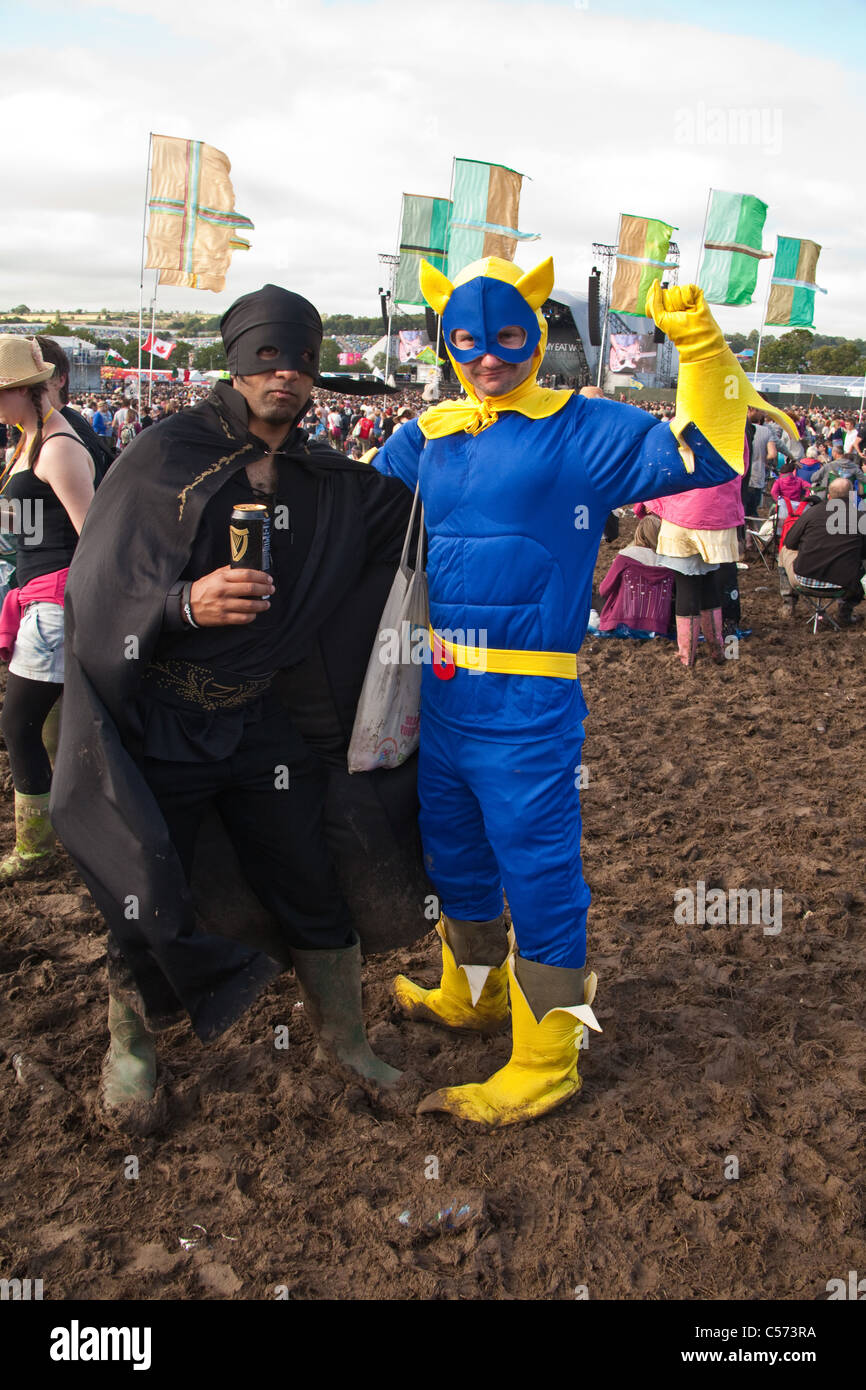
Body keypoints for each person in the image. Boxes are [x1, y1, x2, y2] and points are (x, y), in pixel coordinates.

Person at [370, 259, 797, 1127]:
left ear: (535, 331)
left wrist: (702, 350)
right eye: (467, 342)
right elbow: (355, 518)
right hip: (438, 695)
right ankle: (476, 993)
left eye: (507, 338)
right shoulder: (427, 435)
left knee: (538, 875)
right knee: (454, 857)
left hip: (527, 709)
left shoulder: (582, 428)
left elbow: (707, 453)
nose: (488, 359)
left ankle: (547, 1058)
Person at [50, 285, 424, 1124]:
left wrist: (474, 432)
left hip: (262, 725)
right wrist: (184, 603)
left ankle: (344, 1041)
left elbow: (423, 529)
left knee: (311, 877)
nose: (283, 375)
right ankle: (132, 1051)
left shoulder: (330, 480)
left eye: (299, 361)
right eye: (266, 358)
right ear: (235, 363)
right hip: (164, 722)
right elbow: (99, 586)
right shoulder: (165, 455)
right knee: (147, 885)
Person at [0, 336, 96, 879]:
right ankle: (74, 826)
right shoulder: (28, 439)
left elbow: (94, 537)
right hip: (38, 599)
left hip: (56, 607)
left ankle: (35, 850)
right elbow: (28, 527)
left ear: (23, 390)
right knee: (53, 729)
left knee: (18, 725)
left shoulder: (57, 447)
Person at [780, 478, 866, 626]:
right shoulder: (860, 518)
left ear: (829, 496)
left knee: (783, 550)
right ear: (852, 496)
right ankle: (844, 613)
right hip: (844, 585)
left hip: (803, 580)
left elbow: (790, 542)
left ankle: (788, 604)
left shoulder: (812, 512)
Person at [597, 513, 675, 637]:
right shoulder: (671, 563)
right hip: (658, 627)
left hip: (622, 623)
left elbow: (604, 590)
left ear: (639, 533)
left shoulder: (626, 557)